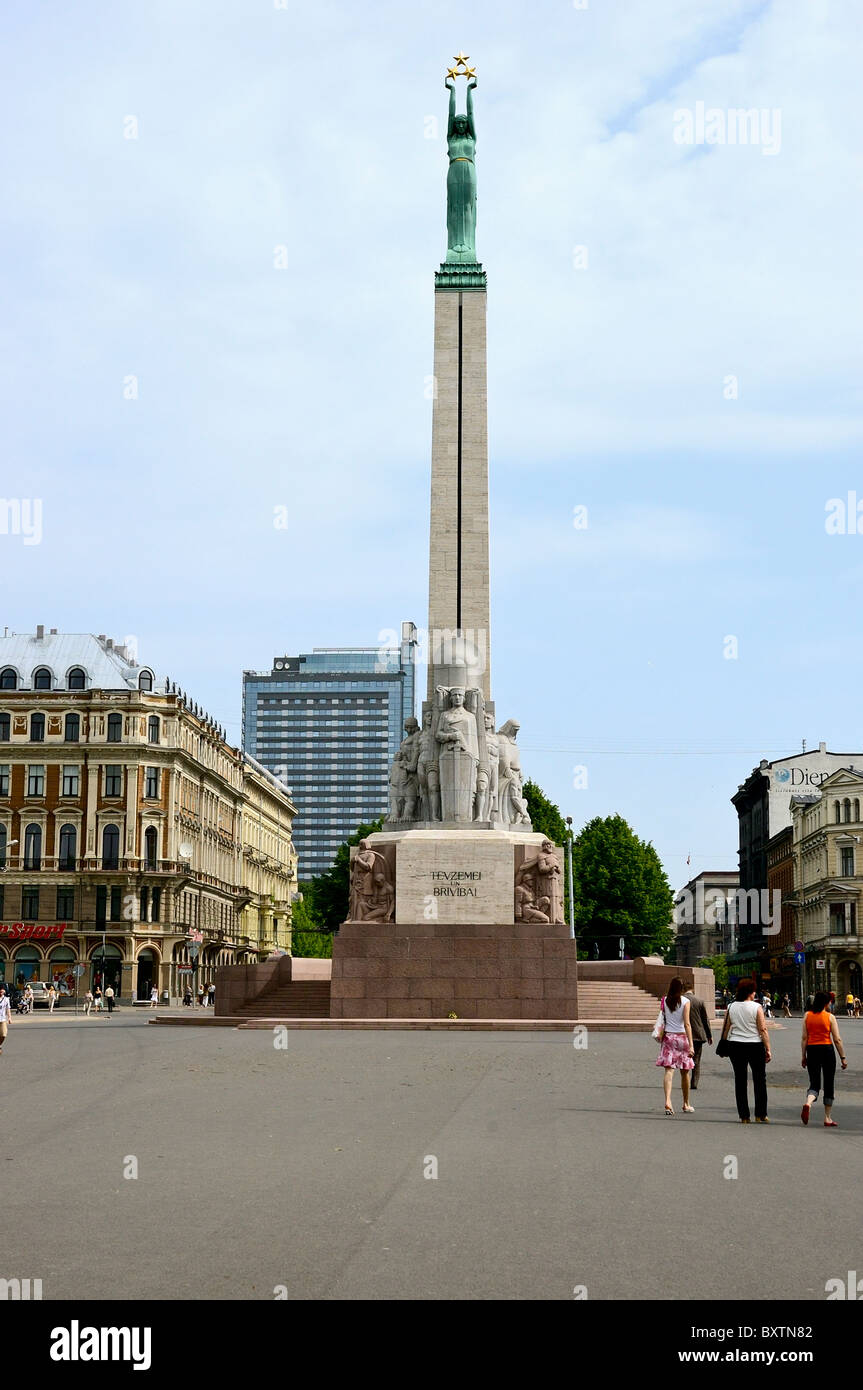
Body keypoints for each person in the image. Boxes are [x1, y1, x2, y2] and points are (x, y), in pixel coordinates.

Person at [718, 978, 772, 1123]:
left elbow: (726, 1028)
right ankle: (761, 1114)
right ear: (750, 992)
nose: (755, 994)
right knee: (760, 1080)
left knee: (740, 1080)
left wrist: (723, 1044)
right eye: (754, 991)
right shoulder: (756, 1007)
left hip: (735, 1045)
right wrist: (768, 1048)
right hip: (755, 1045)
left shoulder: (731, 1007)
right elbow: (762, 1029)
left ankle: (744, 1116)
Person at [801, 990, 848, 1127]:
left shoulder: (807, 1015)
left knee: (814, 1082)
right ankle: (827, 1117)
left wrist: (803, 1056)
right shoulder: (830, 1017)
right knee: (828, 1083)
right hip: (827, 1050)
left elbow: (804, 1038)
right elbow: (837, 1039)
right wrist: (843, 1057)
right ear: (827, 1003)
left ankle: (808, 1103)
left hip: (812, 1050)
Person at [655, 976, 695, 1115]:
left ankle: (668, 1101)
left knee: (669, 1071)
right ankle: (686, 1103)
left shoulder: (665, 1000)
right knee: (685, 1072)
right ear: (682, 988)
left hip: (668, 1038)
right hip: (682, 1037)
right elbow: (687, 1024)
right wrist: (691, 1045)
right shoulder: (686, 1001)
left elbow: (663, 1018)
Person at [683, 986, 713, 1090]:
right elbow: (705, 1019)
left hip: (683, 1034)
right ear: (693, 990)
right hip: (697, 1034)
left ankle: (685, 1080)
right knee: (696, 1059)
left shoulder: (680, 1000)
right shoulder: (699, 1001)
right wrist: (709, 1035)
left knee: (684, 1058)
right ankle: (694, 1082)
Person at [0, 985, 11, 1054]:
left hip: (2, 1019)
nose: (1, 991)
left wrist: (9, 1018)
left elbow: (8, 1009)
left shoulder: (6, 999)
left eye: (2, 990)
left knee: (3, 1034)